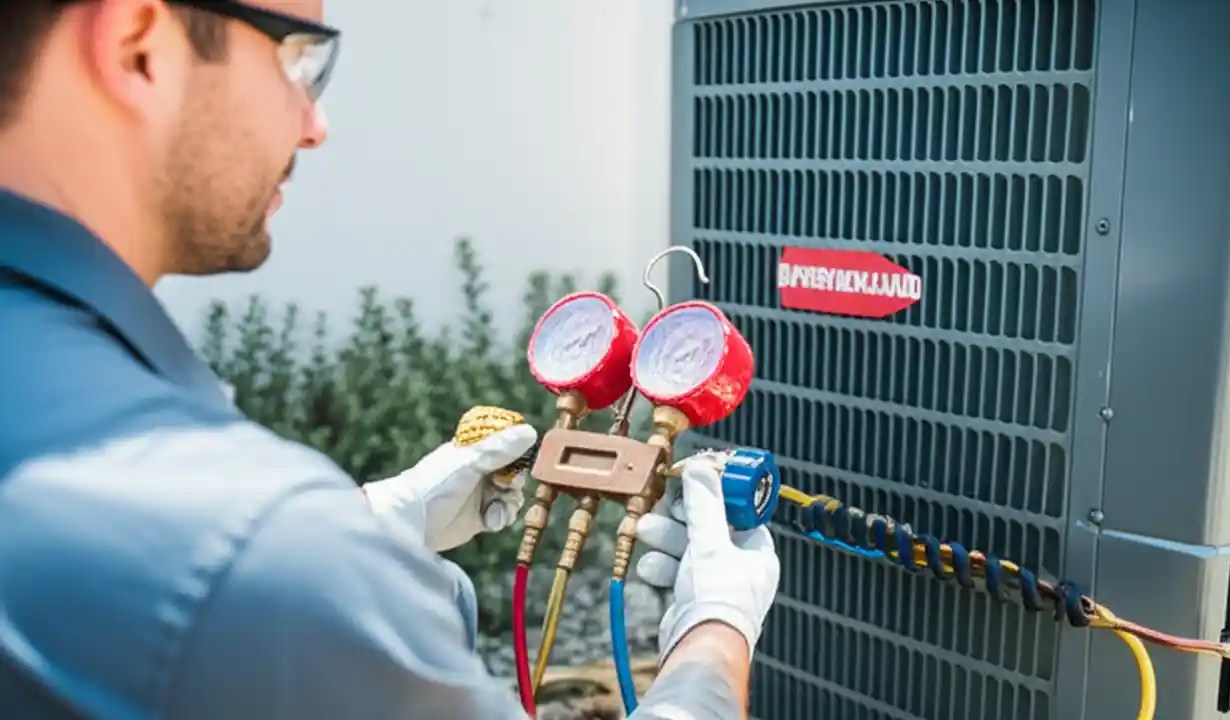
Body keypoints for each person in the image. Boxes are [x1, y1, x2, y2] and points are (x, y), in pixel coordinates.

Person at [0, 1, 781, 718]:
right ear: (139, 48)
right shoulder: (246, 546)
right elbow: (225, 579)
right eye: (300, 59)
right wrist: (713, 634)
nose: (315, 124)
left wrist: (374, 523)